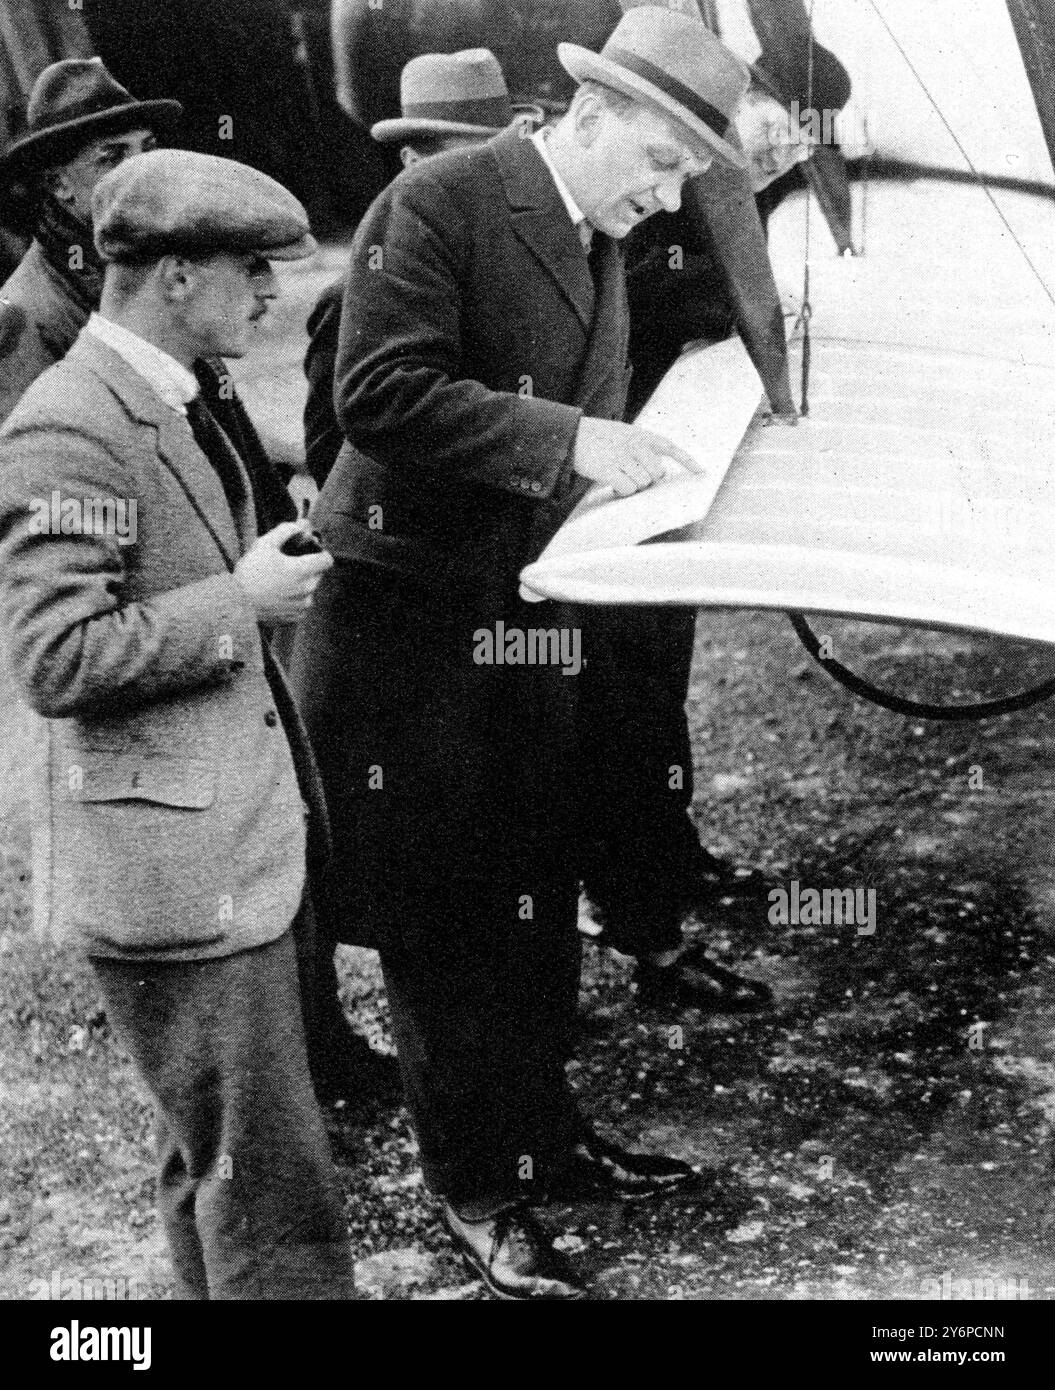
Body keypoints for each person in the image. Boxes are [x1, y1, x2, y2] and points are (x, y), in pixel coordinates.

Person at [292, 5, 749, 1299]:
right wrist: (569, 444)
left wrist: (615, 504)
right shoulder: (438, 201)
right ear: (592, 114)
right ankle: (477, 1187)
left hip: (525, 619)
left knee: (535, 901)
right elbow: (371, 393)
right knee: (444, 930)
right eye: (657, 165)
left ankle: (550, 1135)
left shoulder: (597, 232)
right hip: (407, 639)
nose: (665, 200)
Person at [0, 149, 355, 1299]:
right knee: (269, 1188)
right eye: (251, 269)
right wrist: (237, 604)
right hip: (174, 869)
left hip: (214, 848)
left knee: (214, 1158)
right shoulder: (71, 426)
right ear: (173, 276)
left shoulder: (167, 392)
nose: (267, 294)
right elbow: (55, 658)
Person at [304, 48, 544, 487]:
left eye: (500, 159)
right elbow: (332, 461)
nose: (490, 179)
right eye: (468, 161)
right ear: (413, 164)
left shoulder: (524, 263)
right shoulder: (354, 296)